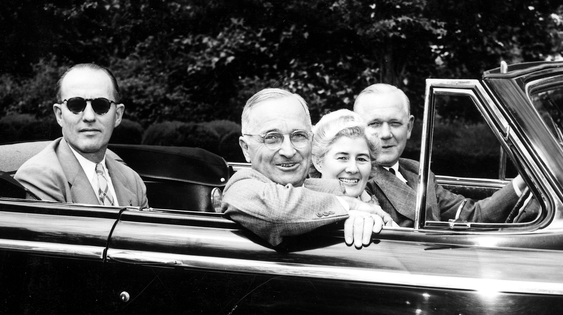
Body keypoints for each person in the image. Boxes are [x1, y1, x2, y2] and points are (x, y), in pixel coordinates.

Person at [221, 89, 391, 248]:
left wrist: (365, 220)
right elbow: (278, 211)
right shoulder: (240, 187)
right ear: (245, 148)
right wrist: (351, 207)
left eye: (299, 136)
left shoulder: (330, 191)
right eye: (272, 138)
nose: (288, 151)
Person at [353, 83, 524, 226]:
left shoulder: (416, 170)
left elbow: (473, 216)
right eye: (374, 124)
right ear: (358, 129)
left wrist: (523, 180)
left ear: (409, 127)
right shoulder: (357, 178)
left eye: (395, 123)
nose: (385, 134)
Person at [15, 63, 148, 208]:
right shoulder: (39, 178)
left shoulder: (133, 181)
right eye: (76, 105)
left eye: (101, 105)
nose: (89, 117)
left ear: (117, 115)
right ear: (59, 115)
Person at [310, 109, 378, 202]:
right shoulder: (304, 209)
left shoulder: (377, 207)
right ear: (318, 162)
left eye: (361, 159)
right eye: (342, 158)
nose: (353, 169)